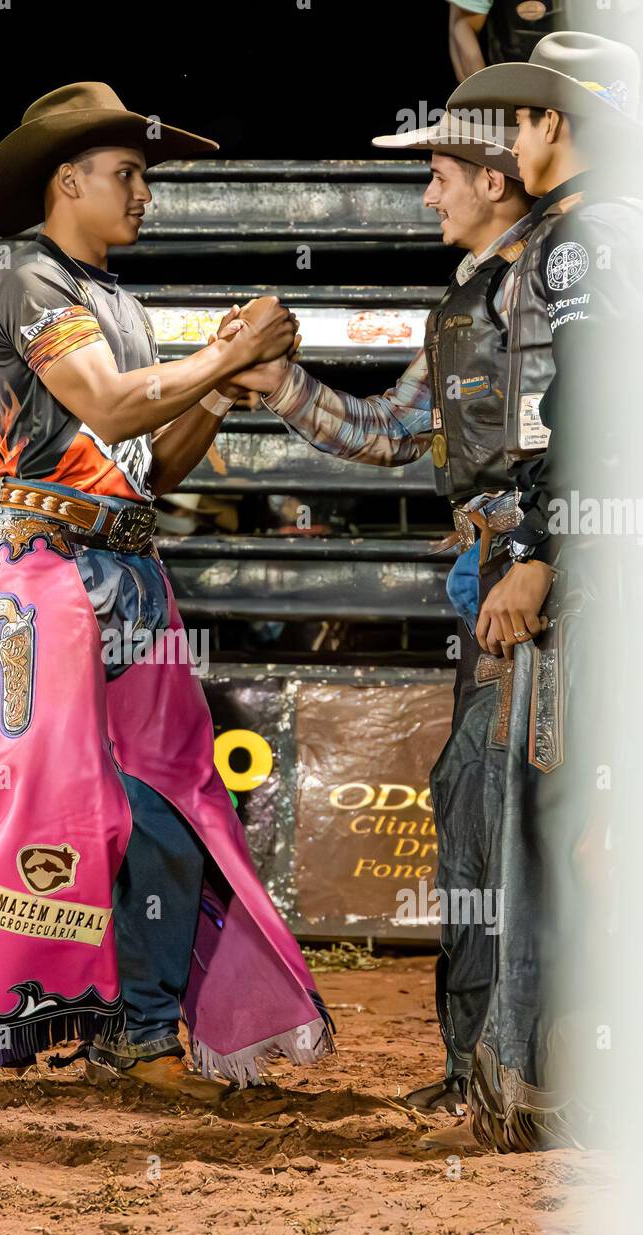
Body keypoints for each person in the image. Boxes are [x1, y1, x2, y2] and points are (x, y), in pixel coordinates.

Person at [0, 82, 334, 1102]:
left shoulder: (115, 302)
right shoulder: (28, 281)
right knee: (60, 800)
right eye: (127, 175)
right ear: (65, 180)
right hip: (48, 579)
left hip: (119, 569)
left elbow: (151, 464)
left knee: (164, 798)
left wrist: (223, 383)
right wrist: (224, 354)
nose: (143, 194)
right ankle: (72, 1014)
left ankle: (138, 1025)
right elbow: (113, 401)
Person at [222, 111, 543, 1114]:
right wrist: (277, 379)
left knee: (497, 815)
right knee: (480, 812)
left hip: (522, 576)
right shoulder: (479, 295)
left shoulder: (535, 284)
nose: (430, 194)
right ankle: (488, 1071)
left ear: (494, 180)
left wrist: (532, 550)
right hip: (495, 573)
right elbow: (396, 428)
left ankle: (502, 1075)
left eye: (443, 175)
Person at [446, 29, 643, 1148]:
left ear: (557, 123)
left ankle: (548, 1074)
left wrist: (540, 553)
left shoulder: (581, 245)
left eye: (522, 118)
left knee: (561, 815)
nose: (513, 136)